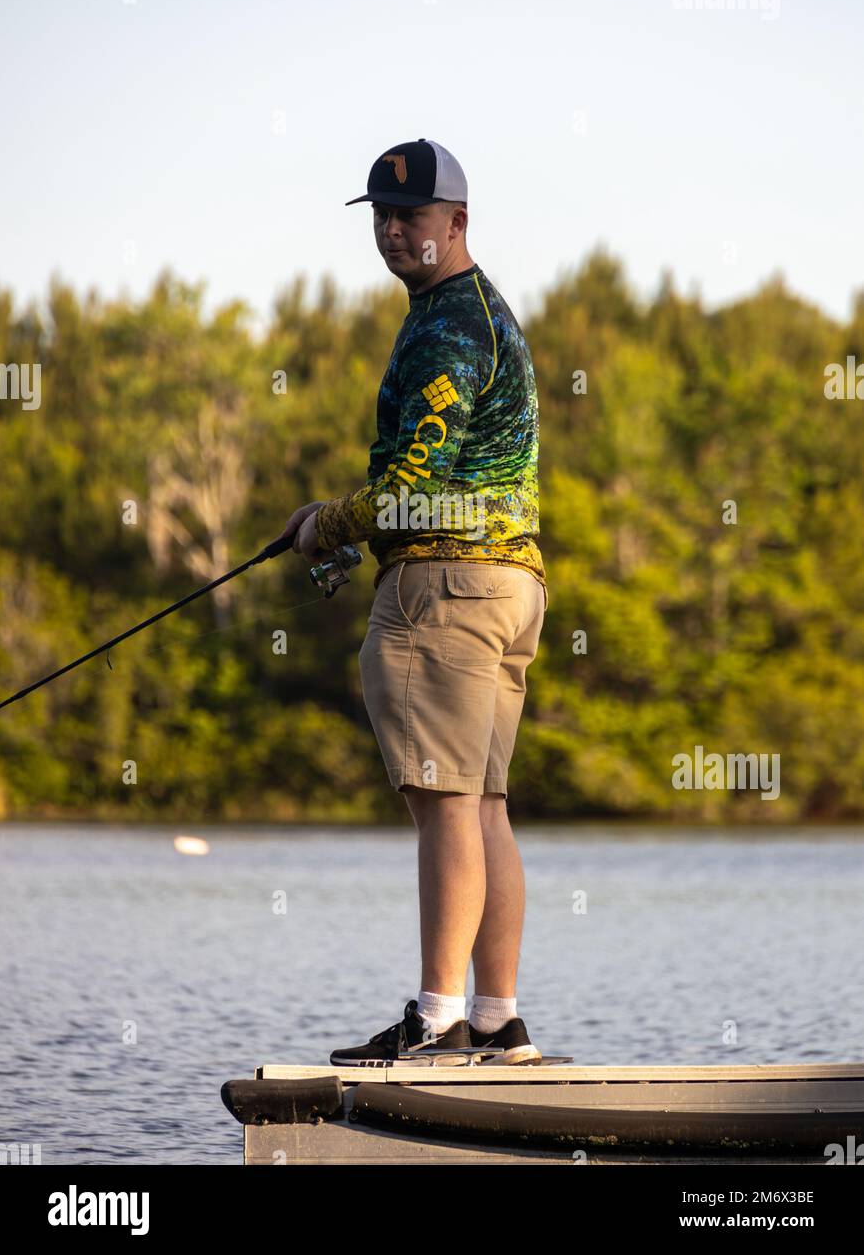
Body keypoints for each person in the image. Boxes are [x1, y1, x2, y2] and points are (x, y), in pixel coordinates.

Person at [280, 138, 548, 1065]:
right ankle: (497, 1022)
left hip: (446, 592)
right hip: (510, 589)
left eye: (413, 216)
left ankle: (436, 1022)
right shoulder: (484, 313)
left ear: (457, 221)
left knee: (446, 804)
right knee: (483, 805)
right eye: (384, 217)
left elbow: (409, 486)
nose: (395, 232)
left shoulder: (446, 327)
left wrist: (325, 525)